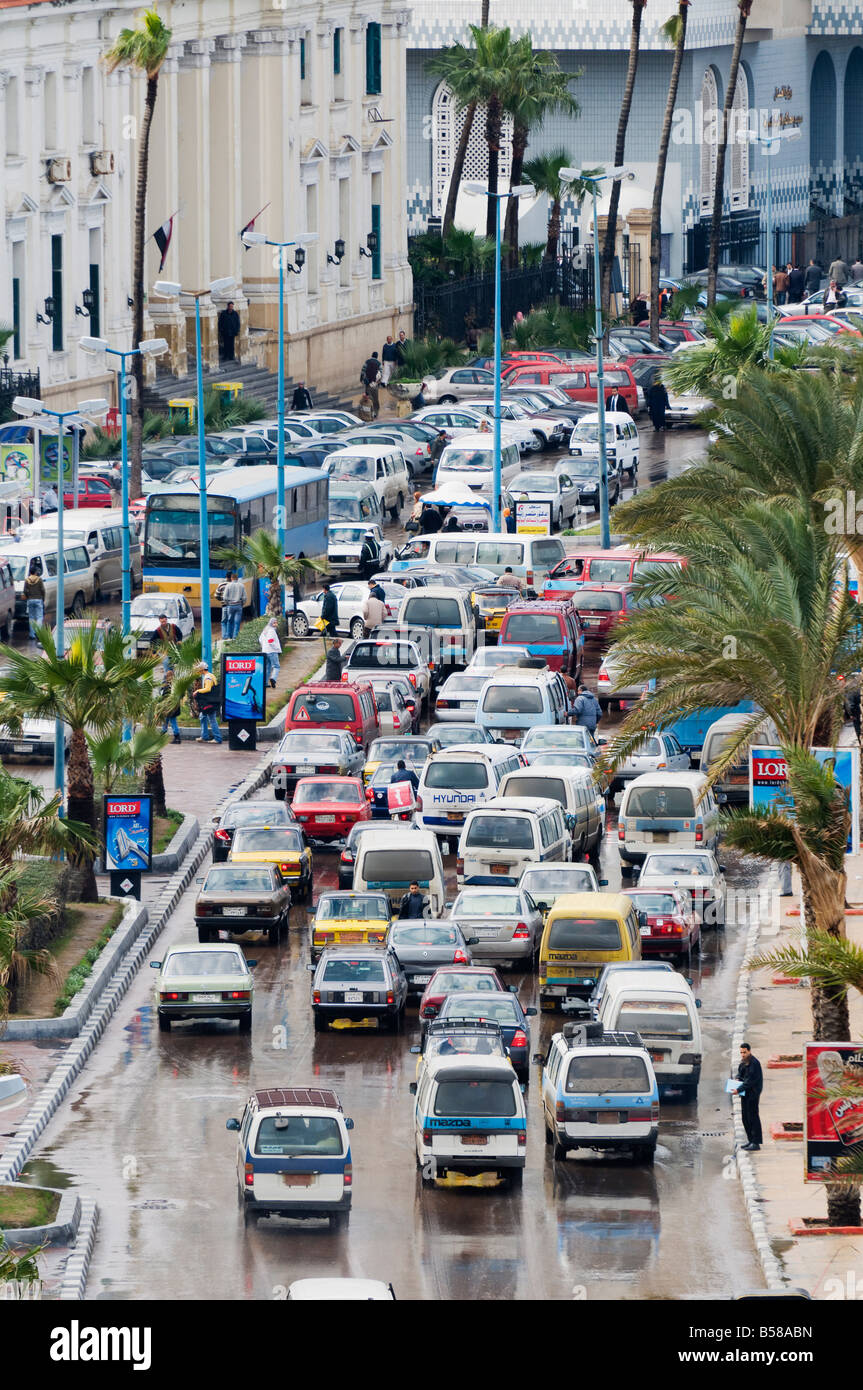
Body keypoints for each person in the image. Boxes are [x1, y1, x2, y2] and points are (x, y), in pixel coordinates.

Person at [736, 1042, 764, 1151]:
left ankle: (756, 1142)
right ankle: (750, 1140)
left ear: (749, 1051)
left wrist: (738, 1089)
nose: (743, 1054)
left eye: (744, 1052)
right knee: (745, 1118)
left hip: (752, 1094)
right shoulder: (743, 1062)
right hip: (745, 1094)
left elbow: (750, 1081)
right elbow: (740, 1073)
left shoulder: (754, 1063)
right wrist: (738, 1079)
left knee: (753, 1117)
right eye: (741, 1052)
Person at [192, 661, 223, 744]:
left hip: (209, 701)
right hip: (211, 700)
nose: (198, 671)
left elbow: (208, 689)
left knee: (212, 719)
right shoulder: (210, 675)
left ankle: (217, 738)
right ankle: (204, 736)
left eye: (199, 669)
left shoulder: (207, 677)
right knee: (203, 716)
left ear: (202, 669)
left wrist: (197, 691)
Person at [220, 570, 245, 641]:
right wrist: (242, 604)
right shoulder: (241, 586)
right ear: (237, 578)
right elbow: (244, 597)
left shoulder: (228, 585)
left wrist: (227, 603)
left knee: (229, 621)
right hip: (239, 606)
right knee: (237, 622)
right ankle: (235, 637)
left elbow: (224, 597)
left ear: (231, 578)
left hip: (230, 606)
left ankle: (229, 636)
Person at [24, 558, 45, 640]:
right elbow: (43, 590)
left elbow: (25, 590)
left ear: (30, 572)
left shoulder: (27, 580)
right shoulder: (39, 580)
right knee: (39, 617)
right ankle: (39, 634)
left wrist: (28, 596)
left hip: (30, 600)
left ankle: (32, 635)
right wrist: (43, 598)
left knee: (31, 617)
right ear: (36, 572)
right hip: (38, 599)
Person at [159, 669, 182, 744]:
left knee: (169, 721)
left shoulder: (166, 685)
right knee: (169, 720)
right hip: (175, 706)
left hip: (168, 706)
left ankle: (175, 737)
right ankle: (165, 734)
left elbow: (163, 695)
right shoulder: (176, 684)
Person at [259, 616, 282, 688]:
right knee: (276, 666)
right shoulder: (271, 630)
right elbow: (270, 641)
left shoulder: (265, 629)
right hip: (272, 651)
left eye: (276, 623)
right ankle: (273, 678)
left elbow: (260, 639)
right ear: (271, 623)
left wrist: (264, 646)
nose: (276, 624)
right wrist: (276, 648)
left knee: (267, 667)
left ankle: (265, 683)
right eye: (274, 623)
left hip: (265, 651)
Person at [361, 351, 382, 418]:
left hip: (368, 384)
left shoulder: (367, 362)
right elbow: (381, 373)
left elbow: (363, 371)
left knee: (369, 399)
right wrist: (378, 383)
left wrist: (362, 380)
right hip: (375, 385)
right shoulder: (379, 363)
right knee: (375, 399)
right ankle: (376, 412)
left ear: (372, 355)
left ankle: (369, 413)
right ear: (377, 356)